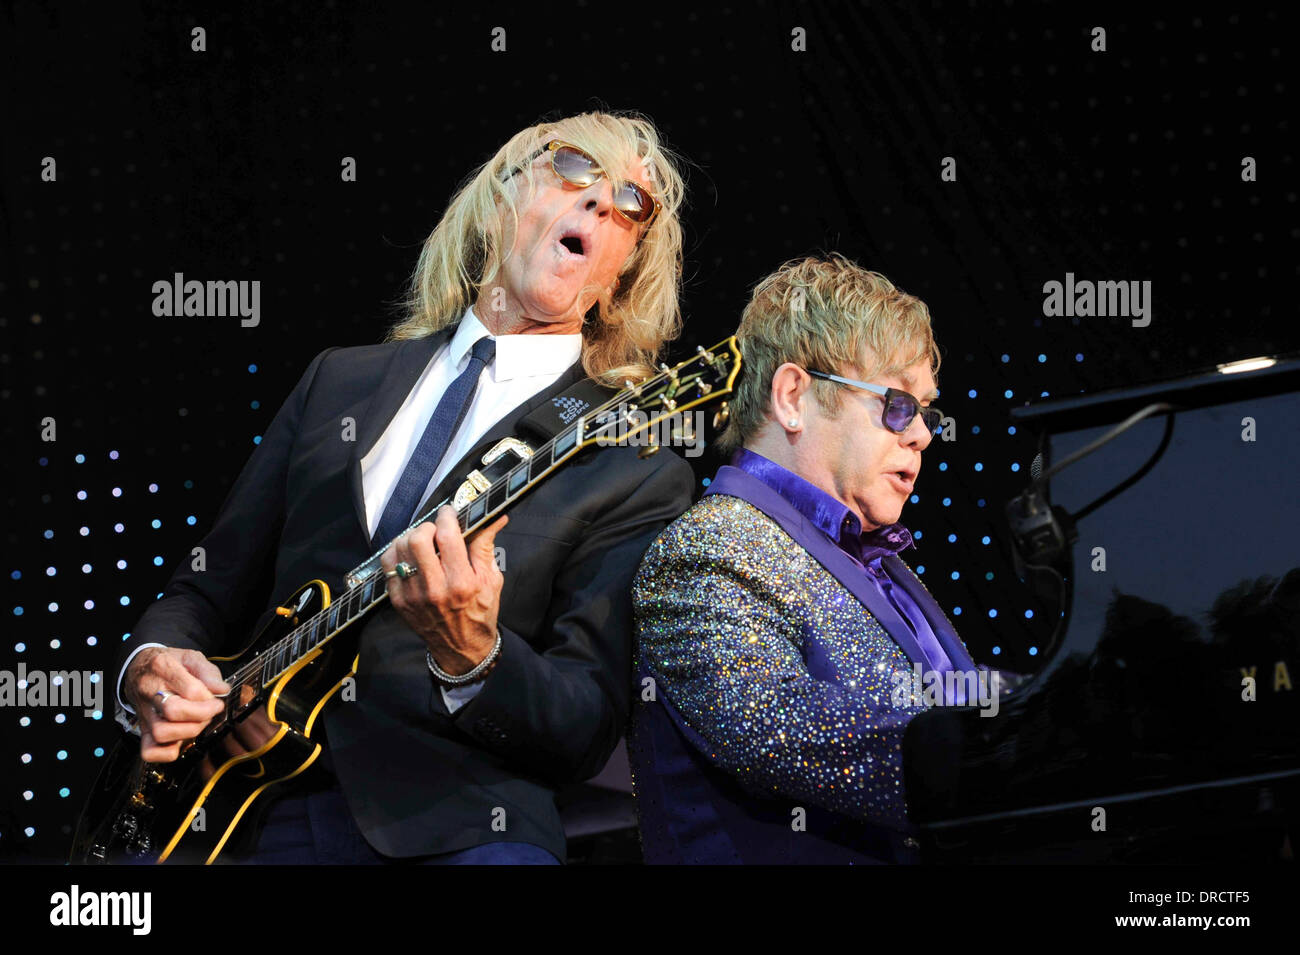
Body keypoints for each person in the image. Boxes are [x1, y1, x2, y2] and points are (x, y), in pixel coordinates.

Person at [113, 111, 694, 864]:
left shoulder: (633, 462)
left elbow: (585, 725)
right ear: (497, 198)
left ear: (623, 270)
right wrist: (150, 668)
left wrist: (474, 654)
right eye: (575, 167)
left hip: (458, 824)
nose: (599, 201)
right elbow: (205, 587)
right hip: (241, 809)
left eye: (630, 203)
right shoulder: (338, 381)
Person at [627, 254, 990, 863]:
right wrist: (1009, 749)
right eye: (899, 403)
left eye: (926, 411)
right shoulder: (707, 551)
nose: (922, 434)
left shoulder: (878, 560)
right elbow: (775, 726)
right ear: (794, 395)